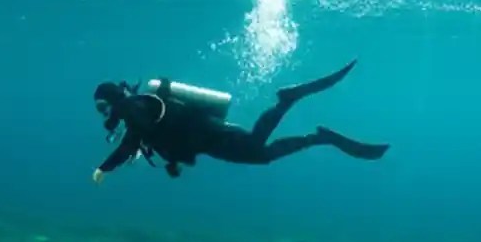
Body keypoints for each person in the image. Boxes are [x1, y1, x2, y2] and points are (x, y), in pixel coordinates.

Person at [91, 59, 389, 183]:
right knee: (261, 153)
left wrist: (104, 168)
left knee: (259, 149)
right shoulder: (138, 107)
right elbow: (160, 135)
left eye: (103, 106)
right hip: (209, 139)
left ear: (114, 98)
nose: (104, 114)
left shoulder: (132, 107)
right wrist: (175, 160)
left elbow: (131, 144)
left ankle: (290, 106)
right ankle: (316, 133)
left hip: (212, 136)